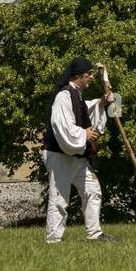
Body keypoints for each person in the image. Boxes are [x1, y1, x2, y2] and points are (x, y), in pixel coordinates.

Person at [42, 57, 114, 244]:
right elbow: (61, 125)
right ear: (78, 76)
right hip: (60, 155)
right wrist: (84, 135)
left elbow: (84, 110)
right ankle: (53, 240)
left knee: (92, 190)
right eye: (88, 74)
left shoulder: (77, 95)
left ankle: (94, 234)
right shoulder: (64, 96)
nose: (91, 77)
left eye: (91, 73)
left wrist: (101, 102)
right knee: (59, 198)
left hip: (77, 156)